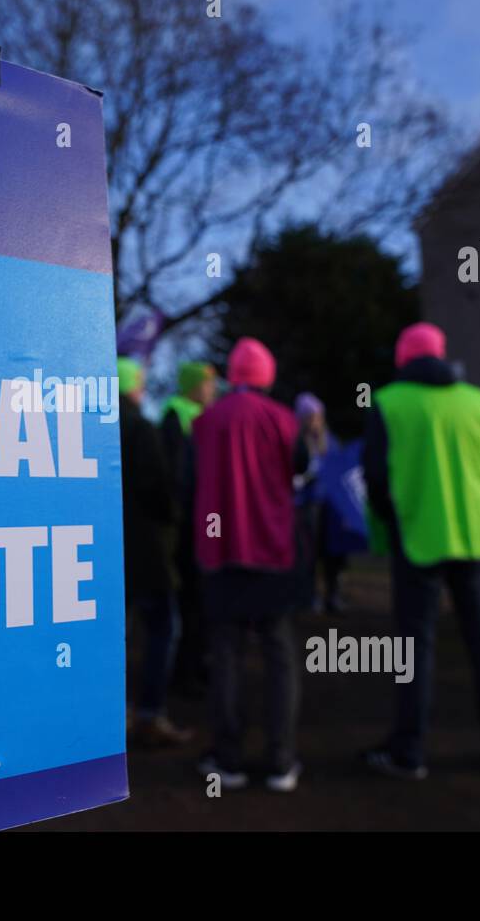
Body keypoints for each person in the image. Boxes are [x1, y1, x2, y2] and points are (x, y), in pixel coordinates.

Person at [361, 322, 480, 779]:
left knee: (415, 646)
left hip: (417, 540)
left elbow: (374, 479)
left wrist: (397, 521)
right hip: (473, 540)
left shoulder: (388, 403)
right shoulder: (479, 402)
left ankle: (409, 752)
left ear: (403, 359)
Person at [193, 337, 304, 791]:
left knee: (227, 656)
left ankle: (228, 759)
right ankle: (281, 762)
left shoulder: (205, 422)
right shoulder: (284, 420)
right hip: (274, 551)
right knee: (279, 656)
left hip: (219, 555)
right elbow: (301, 474)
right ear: (267, 376)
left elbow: (189, 484)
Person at [117, 356, 193, 748]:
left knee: (118, 635)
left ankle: (117, 712)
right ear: (133, 385)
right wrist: (175, 517)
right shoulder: (140, 427)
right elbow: (158, 491)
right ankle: (149, 713)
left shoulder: (92, 428)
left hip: (109, 554)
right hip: (147, 553)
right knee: (164, 629)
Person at [159, 362, 218, 695]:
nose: (212, 390)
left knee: (202, 599)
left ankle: (196, 664)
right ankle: (184, 671)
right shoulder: (177, 413)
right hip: (189, 526)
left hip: (204, 522)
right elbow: (178, 476)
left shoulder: (203, 414)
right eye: (208, 384)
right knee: (190, 600)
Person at [294, 392, 349, 615]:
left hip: (331, 505)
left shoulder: (331, 440)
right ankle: (309, 596)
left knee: (334, 553)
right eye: (310, 416)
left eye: (318, 415)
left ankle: (333, 596)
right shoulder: (296, 442)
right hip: (308, 505)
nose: (315, 420)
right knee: (309, 553)